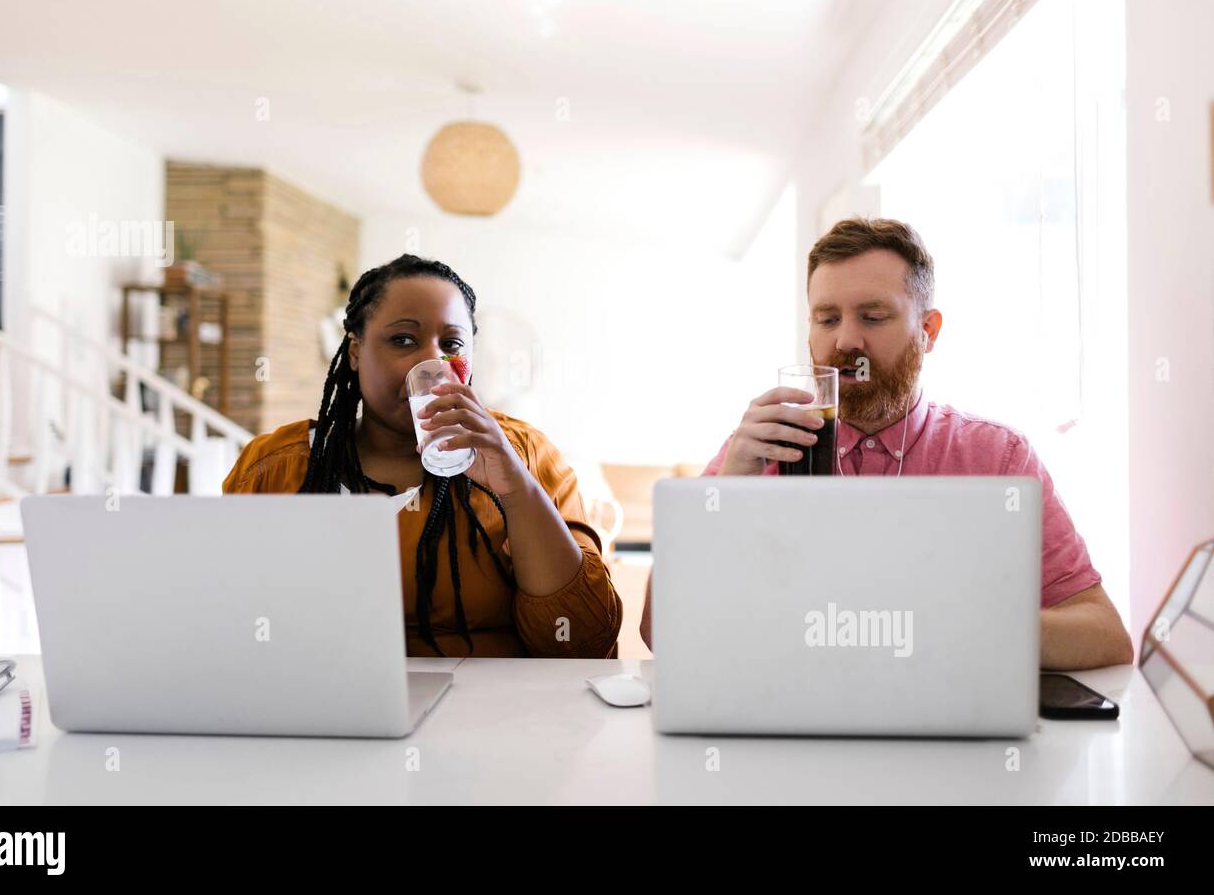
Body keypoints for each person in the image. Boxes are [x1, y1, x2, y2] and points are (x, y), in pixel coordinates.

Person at [639, 218, 1132, 671]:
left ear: (929, 330)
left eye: (873, 317)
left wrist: (965, 627)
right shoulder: (761, 448)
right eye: (826, 318)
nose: (846, 341)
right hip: (791, 721)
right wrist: (727, 493)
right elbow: (660, 632)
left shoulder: (998, 459)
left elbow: (1106, 637)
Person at [225, 255, 622, 658]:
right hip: (325, 706)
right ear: (355, 353)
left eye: (451, 344)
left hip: (497, 710)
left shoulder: (524, 453)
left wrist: (516, 487)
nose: (430, 364)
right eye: (403, 340)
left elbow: (581, 641)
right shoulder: (275, 467)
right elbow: (228, 622)